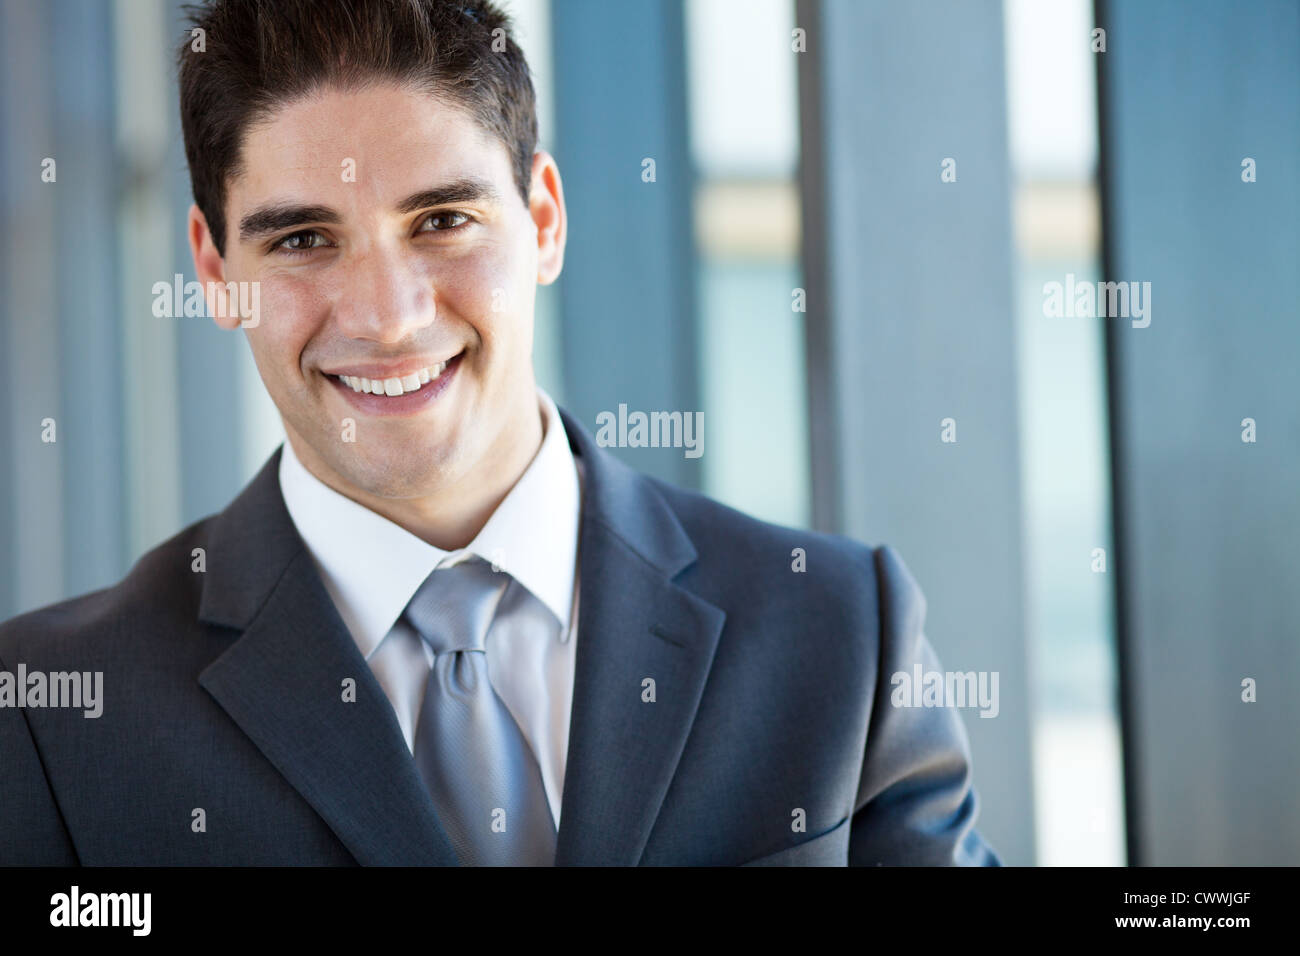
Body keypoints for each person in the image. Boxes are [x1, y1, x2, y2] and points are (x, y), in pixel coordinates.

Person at [0, 0, 999, 866]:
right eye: (303, 239)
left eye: (440, 219)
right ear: (215, 272)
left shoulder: (837, 633)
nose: (386, 316)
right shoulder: (54, 718)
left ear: (545, 219)